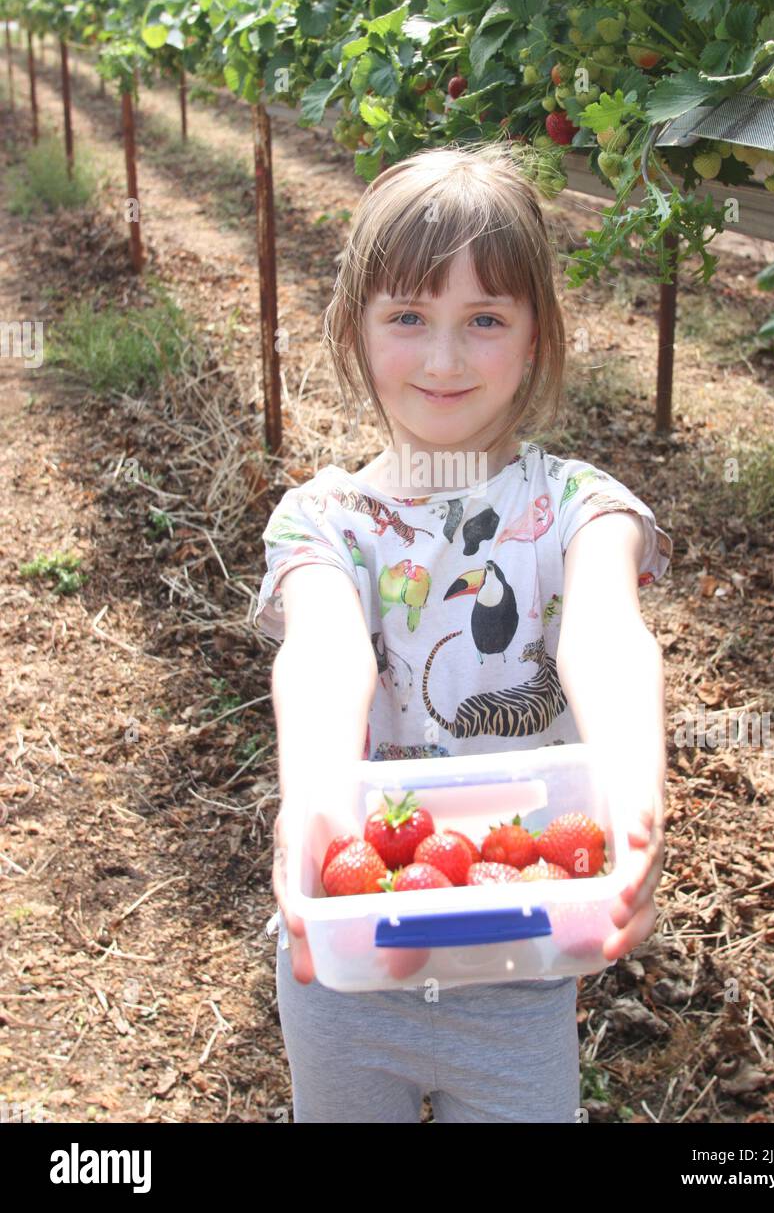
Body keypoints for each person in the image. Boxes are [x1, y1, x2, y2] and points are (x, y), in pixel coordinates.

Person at [253, 141, 673, 1122]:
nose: (441, 359)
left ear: (533, 338)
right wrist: (310, 803)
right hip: (347, 959)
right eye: (407, 317)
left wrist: (631, 797)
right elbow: (323, 657)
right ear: (354, 331)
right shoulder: (320, 521)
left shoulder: (580, 507)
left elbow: (606, 638)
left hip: (521, 955)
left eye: (482, 319)